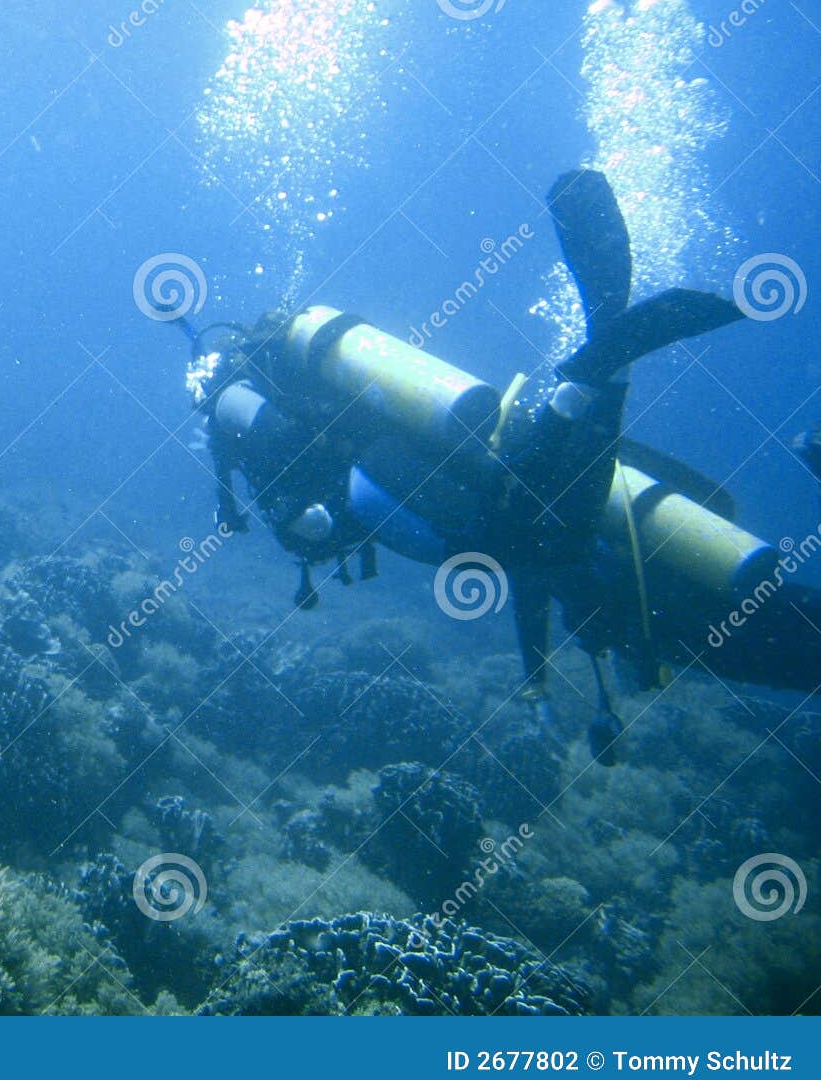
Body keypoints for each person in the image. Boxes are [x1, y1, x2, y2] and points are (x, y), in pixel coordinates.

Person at [184, 169, 820, 758]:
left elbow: (309, 499)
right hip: (506, 487)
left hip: (424, 484)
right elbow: (530, 576)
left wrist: (294, 512)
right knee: (536, 520)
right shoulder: (584, 580)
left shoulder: (253, 417)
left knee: (521, 517)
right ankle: (594, 377)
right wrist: (536, 684)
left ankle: (595, 374)